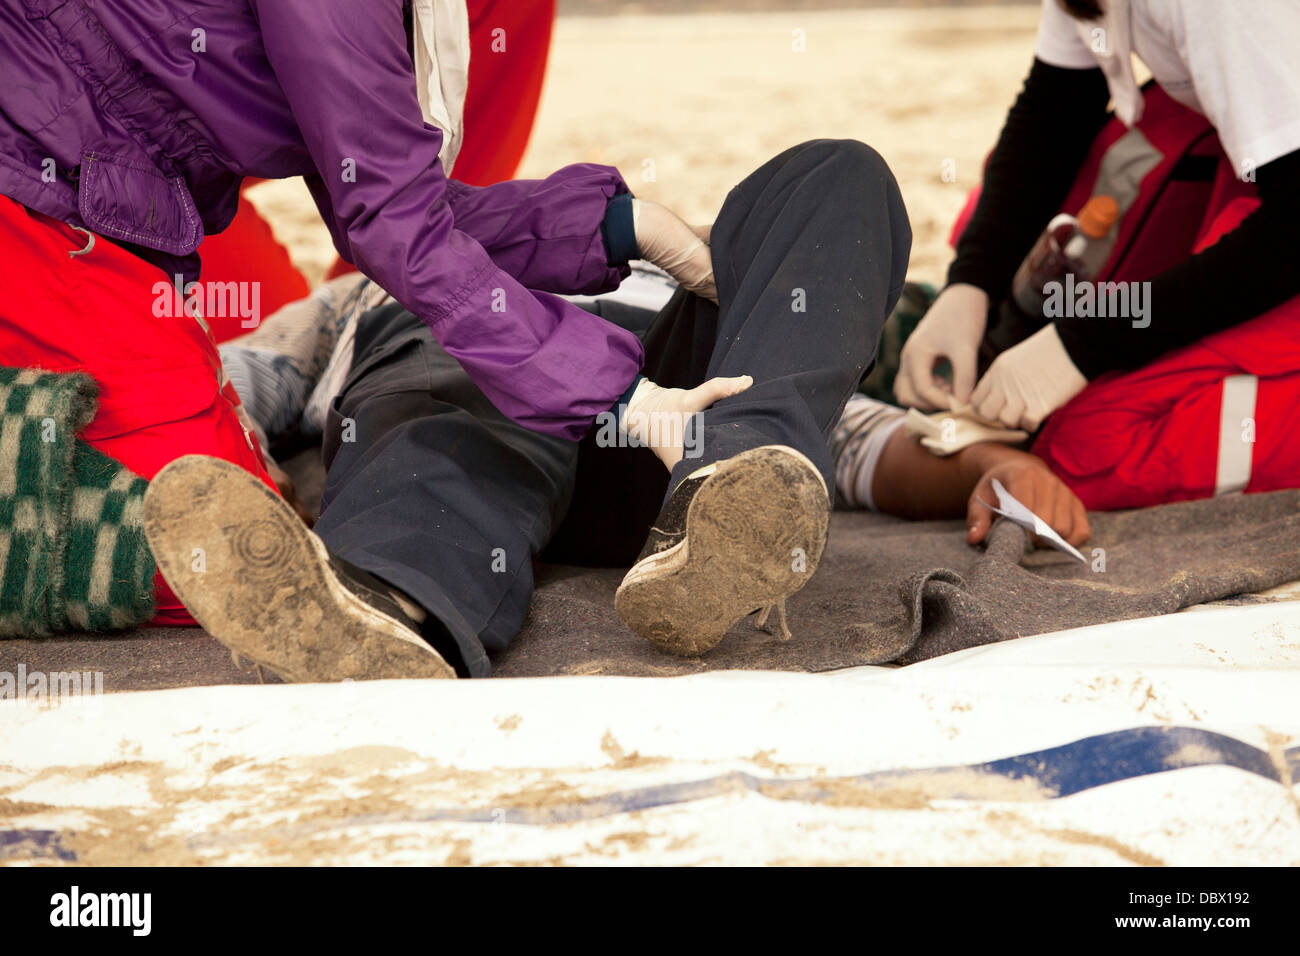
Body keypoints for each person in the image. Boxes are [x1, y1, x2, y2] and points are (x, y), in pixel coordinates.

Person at [0, 0, 731, 625]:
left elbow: (397, 199)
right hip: (33, 187)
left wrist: (627, 228)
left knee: (249, 515)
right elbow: (393, 224)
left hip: (110, 192)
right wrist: (621, 397)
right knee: (210, 548)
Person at [143, 139, 912, 679]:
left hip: (668, 438)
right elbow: (246, 371)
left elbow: (820, 396)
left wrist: (974, 463)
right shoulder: (368, 288)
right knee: (452, 377)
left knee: (842, 172)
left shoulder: (671, 268)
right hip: (477, 412)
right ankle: (386, 603)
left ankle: (722, 499)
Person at [893, 0, 1300, 509]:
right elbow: (1053, 114)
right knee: (1016, 212)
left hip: (1285, 227)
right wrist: (969, 287)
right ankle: (972, 328)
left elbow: (1292, 231)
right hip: (1266, 188)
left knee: (1084, 452)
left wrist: (1083, 346)